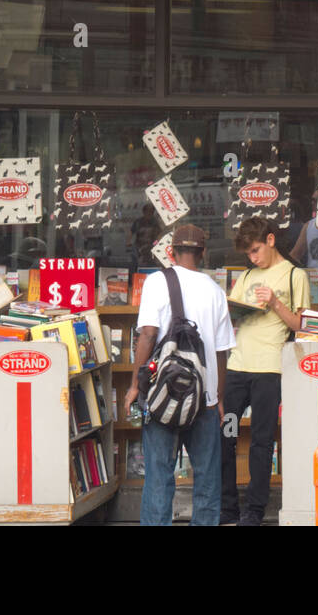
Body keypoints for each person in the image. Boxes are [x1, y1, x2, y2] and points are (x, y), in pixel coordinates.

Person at [125, 223, 234, 526]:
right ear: (203, 253)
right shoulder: (215, 291)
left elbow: (148, 334)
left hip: (162, 397)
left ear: (171, 252)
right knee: (207, 483)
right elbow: (221, 352)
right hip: (204, 400)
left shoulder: (156, 282)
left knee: (159, 480)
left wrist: (135, 384)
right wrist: (218, 397)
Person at [222, 215, 309, 526]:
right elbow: (229, 319)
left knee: (261, 441)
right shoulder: (245, 277)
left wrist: (274, 303)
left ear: (271, 241)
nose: (252, 257)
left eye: (256, 250)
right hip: (236, 368)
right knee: (226, 435)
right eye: (248, 253)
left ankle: (254, 511)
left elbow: (301, 325)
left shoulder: (294, 275)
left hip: (269, 371)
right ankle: (228, 507)